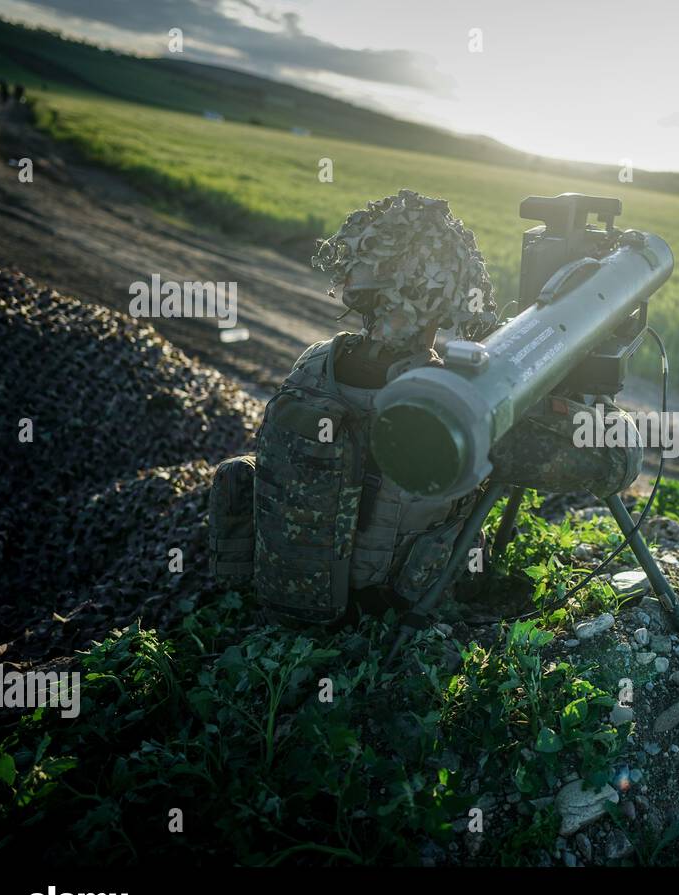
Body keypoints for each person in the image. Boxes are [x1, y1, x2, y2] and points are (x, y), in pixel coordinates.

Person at [211, 190, 642, 624]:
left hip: (297, 595)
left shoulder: (310, 365)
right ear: (450, 294)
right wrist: (583, 378)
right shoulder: (449, 407)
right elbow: (617, 460)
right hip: (387, 613)